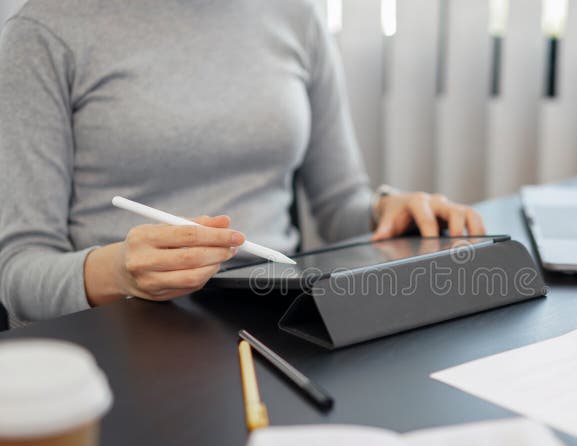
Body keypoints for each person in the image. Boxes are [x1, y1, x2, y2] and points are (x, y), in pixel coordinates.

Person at [0, 0, 485, 326]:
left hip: (284, 322)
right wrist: (120, 272)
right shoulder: (43, 32)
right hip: (122, 335)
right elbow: (18, 270)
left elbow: (340, 205)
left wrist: (386, 210)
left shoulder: (295, 14)